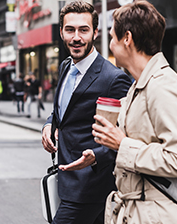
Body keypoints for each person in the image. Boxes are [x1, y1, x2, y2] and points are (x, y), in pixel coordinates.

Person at [91, 1, 177, 223]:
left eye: (112, 37)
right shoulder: (141, 84)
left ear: (127, 39)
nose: (110, 44)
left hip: (158, 215)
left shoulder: (162, 86)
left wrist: (122, 145)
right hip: (139, 212)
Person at [41, 1, 131, 223]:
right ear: (61, 32)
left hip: (91, 186)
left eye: (83, 30)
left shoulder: (113, 78)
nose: (76, 37)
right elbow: (63, 111)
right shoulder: (65, 66)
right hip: (65, 178)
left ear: (95, 32)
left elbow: (126, 133)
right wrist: (49, 124)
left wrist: (95, 156)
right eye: (70, 30)